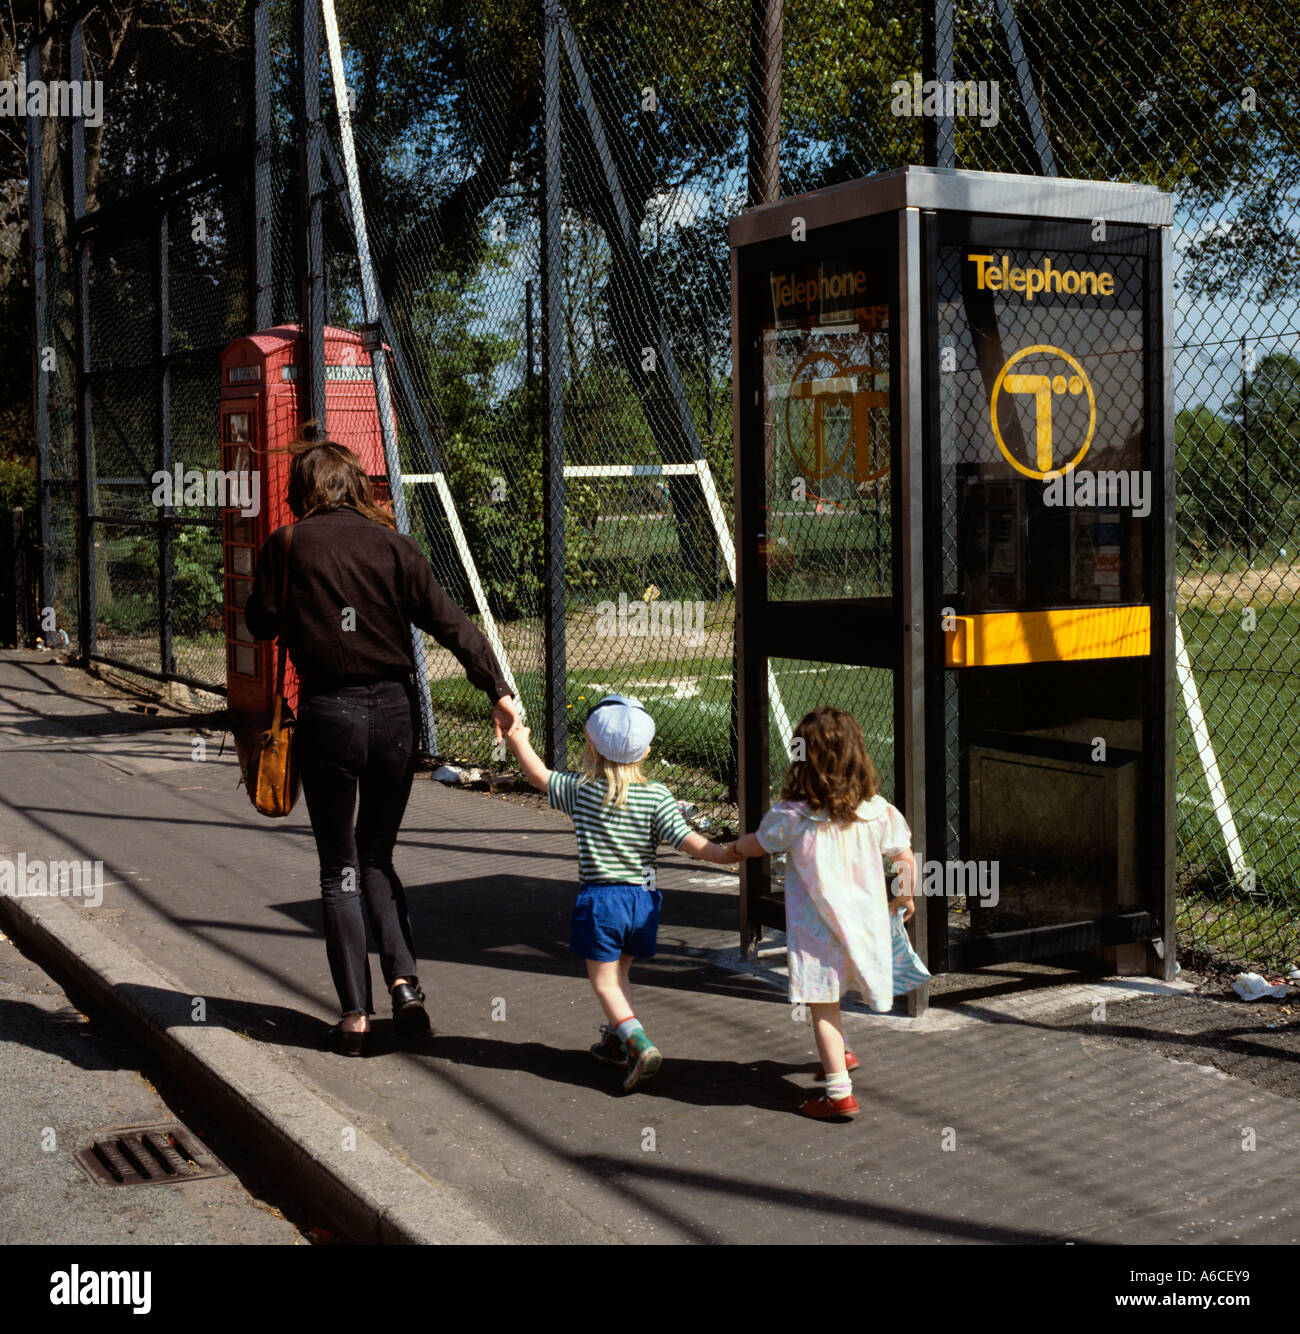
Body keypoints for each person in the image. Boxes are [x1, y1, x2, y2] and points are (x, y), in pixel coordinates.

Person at [243, 434, 520, 1056]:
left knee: (338, 867)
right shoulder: (397, 547)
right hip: (395, 715)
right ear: (358, 486)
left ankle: (354, 1017)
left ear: (302, 492)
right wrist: (497, 689)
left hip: (328, 715)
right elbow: (454, 625)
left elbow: (258, 622)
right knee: (378, 856)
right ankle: (405, 986)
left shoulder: (284, 547)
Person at [503, 694, 739, 1090]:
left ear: (591, 746)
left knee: (603, 981)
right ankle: (617, 1042)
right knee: (621, 972)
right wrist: (729, 854)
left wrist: (518, 738)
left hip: (601, 901)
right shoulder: (658, 796)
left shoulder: (582, 790)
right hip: (643, 902)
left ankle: (637, 1041)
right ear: (646, 750)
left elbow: (538, 776)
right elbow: (690, 842)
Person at [730, 706, 916, 1119]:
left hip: (816, 932)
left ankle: (838, 1093)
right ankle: (843, 1053)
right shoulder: (876, 810)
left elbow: (759, 843)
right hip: (863, 924)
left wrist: (730, 851)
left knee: (823, 1004)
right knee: (839, 994)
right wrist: (906, 896)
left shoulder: (793, 814)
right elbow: (904, 855)